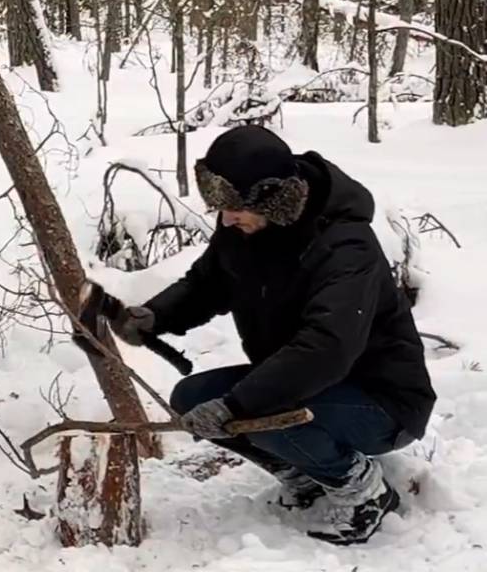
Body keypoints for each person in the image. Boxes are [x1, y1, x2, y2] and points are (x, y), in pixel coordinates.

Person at [112, 125, 434, 546]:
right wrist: (153, 316)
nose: (224, 218)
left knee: (258, 416)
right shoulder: (244, 226)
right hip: (305, 385)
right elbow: (207, 284)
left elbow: (326, 347)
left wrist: (238, 404)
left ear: (271, 196)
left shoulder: (345, 246)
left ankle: (365, 493)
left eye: (234, 207)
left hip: (383, 403)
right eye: (221, 206)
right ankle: (304, 476)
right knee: (191, 398)